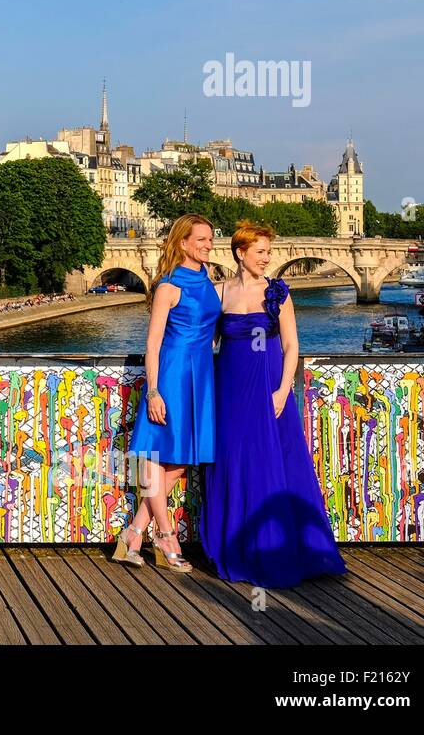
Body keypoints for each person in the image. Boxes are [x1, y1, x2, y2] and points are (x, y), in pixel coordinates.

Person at [199, 220, 346, 587]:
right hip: (229, 385)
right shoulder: (218, 293)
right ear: (240, 252)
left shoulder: (277, 292)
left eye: (269, 251)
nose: (267, 258)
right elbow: (203, 342)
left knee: (270, 459)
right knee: (233, 459)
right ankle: (236, 545)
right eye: (261, 252)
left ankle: (274, 547)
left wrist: (283, 390)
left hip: (268, 384)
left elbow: (292, 346)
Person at [111, 213, 219, 573]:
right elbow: (153, 344)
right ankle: (167, 535)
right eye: (200, 239)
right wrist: (153, 392)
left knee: (178, 460)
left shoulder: (208, 279)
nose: (207, 244)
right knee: (158, 457)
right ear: (183, 243)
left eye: (210, 239)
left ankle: (134, 533)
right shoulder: (168, 286)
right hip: (173, 374)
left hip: (201, 374)